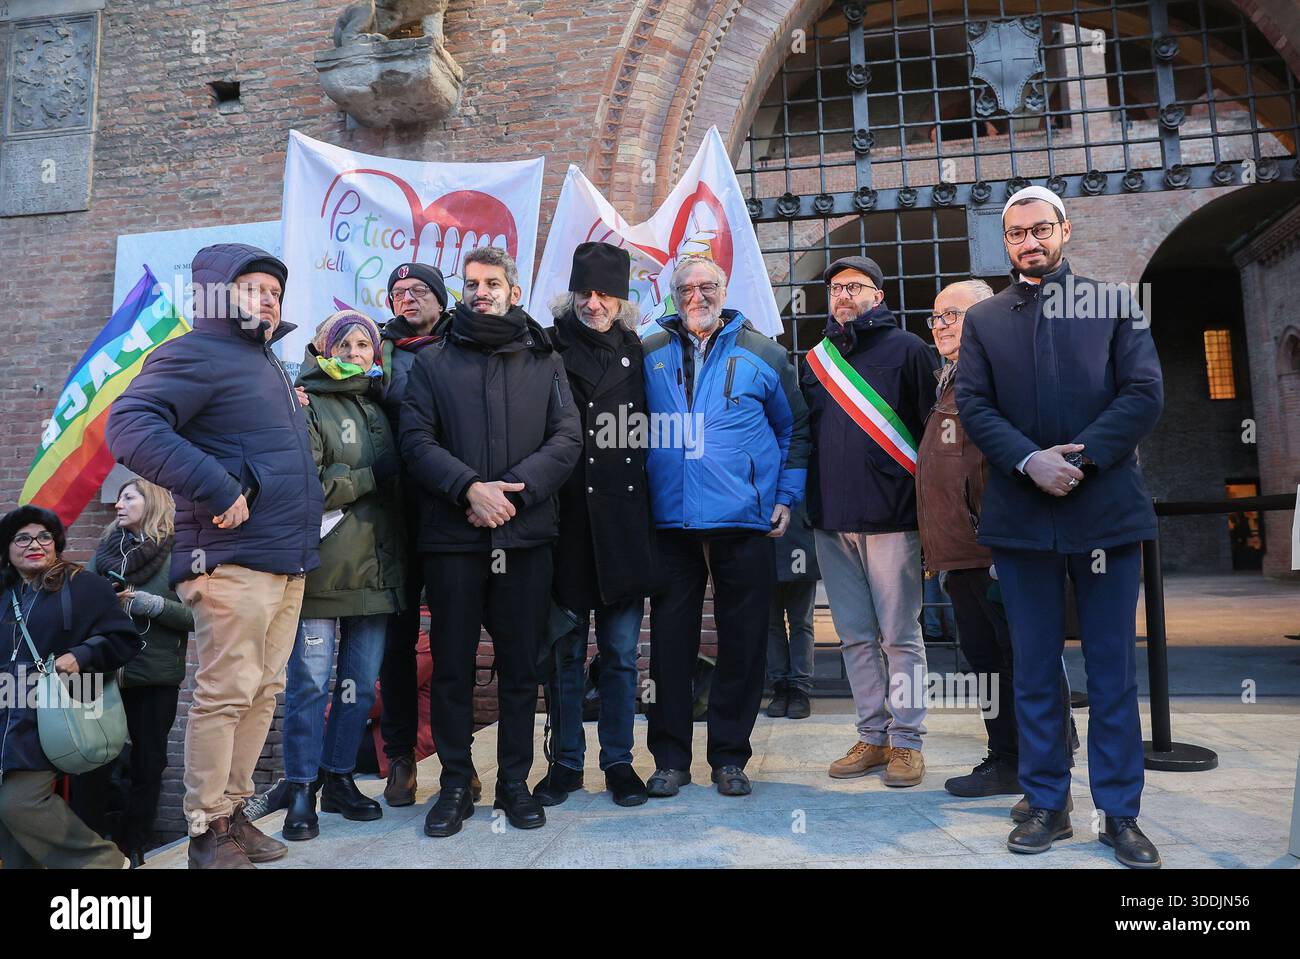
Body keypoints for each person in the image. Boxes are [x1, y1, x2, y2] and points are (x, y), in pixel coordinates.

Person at [955, 185, 1164, 868]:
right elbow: (974, 405)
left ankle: (1121, 813)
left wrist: (1082, 457)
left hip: (1104, 511)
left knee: (1111, 673)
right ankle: (1048, 803)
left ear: (1064, 229)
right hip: (1022, 518)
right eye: (1016, 234)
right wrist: (1028, 460)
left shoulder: (1111, 303)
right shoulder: (985, 319)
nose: (1029, 242)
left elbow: (1144, 392)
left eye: (1040, 229)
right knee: (1036, 670)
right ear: (1006, 242)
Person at [107, 243, 323, 869]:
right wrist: (220, 485)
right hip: (229, 561)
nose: (268, 300)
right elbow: (130, 424)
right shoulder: (194, 352)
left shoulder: (269, 365)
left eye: (275, 292)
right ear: (215, 293)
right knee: (227, 693)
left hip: (284, 560)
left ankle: (231, 813)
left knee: (262, 692)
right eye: (253, 288)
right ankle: (204, 829)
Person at [400, 245, 581, 837]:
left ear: (514, 291)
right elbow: (416, 441)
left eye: (493, 282)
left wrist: (515, 494)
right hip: (453, 540)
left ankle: (513, 783)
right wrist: (469, 490)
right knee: (452, 666)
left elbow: (567, 438)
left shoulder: (545, 359)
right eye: (473, 283)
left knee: (521, 668)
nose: (482, 292)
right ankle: (456, 783)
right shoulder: (432, 363)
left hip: (525, 538)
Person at [641, 254, 810, 799]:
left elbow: (796, 428)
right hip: (669, 520)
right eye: (686, 288)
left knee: (742, 642)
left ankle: (730, 757)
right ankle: (669, 759)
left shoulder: (764, 353)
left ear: (723, 289)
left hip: (745, 519)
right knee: (669, 645)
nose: (697, 296)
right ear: (673, 295)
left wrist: (787, 495)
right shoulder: (646, 354)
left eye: (707, 285)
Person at [916, 279, 1078, 804]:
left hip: (997, 548)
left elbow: (1019, 457)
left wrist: (1006, 541)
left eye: (953, 315)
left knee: (1024, 661)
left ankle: (1046, 772)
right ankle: (1007, 760)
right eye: (936, 317)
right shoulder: (950, 378)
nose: (940, 326)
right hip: (961, 550)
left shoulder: (1003, 373)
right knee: (987, 662)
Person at [532, 242, 660, 809]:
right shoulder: (545, 348)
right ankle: (564, 764)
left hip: (624, 527)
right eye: (586, 293)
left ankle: (618, 763)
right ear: (573, 295)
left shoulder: (638, 351)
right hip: (565, 527)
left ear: (622, 300)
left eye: (605, 294)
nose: (594, 304)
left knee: (621, 654)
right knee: (563, 653)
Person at [802, 256, 937, 788]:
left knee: (900, 637)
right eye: (835, 288)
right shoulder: (816, 360)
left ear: (878, 296)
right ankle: (872, 736)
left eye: (855, 287)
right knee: (855, 637)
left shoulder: (909, 351)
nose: (843, 296)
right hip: (832, 520)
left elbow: (931, 436)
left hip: (892, 517)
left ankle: (907, 742)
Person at [278, 310, 406, 842]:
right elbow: (307, 485)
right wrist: (366, 478)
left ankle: (338, 779)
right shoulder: (304, 402)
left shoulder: (382, 403)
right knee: (309, 683)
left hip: (378, 570)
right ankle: (301, 788)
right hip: (322, 570)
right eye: (346, 343)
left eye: (365, 345)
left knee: (357, 686)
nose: (356, 353)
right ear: (323, 346)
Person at [0, 506, 141, 869]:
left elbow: (123, 639)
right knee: (7, 816)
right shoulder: (5, 593)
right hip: (6, 710)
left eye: (44, 536)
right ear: (7, 549)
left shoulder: (82, 585)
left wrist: (81, 655)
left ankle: (104, 863)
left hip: (54, 711)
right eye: (23, 538)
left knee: (19, 802)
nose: (35, 544)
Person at [76, 479, 193, 868]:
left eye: (129, 497)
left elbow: (199, 618)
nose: (119, 505)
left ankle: (135, 845)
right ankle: (92, 845)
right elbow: (81, 601)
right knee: (95, 761)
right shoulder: (107, 549)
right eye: (119, 497)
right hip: (105, 673)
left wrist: (150, 604)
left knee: (148, 762)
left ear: (153, 501)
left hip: (154, 674)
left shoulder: (181, 550)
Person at [377, 262, 449, 807]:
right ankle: (400, 759)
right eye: (398, 292)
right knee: (395, 644)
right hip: (393, 515)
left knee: (454, 638)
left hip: (449, 509)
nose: (407, 299)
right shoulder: (374, 350)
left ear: (440, 300)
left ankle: (454, 760)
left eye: (418, 290)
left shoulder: (467, 341)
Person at [764, 497, 819, 720]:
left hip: (800, 532)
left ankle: (800, 688)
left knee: (801, 622)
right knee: (771, 624)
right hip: (765, 534)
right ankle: (780, 686)